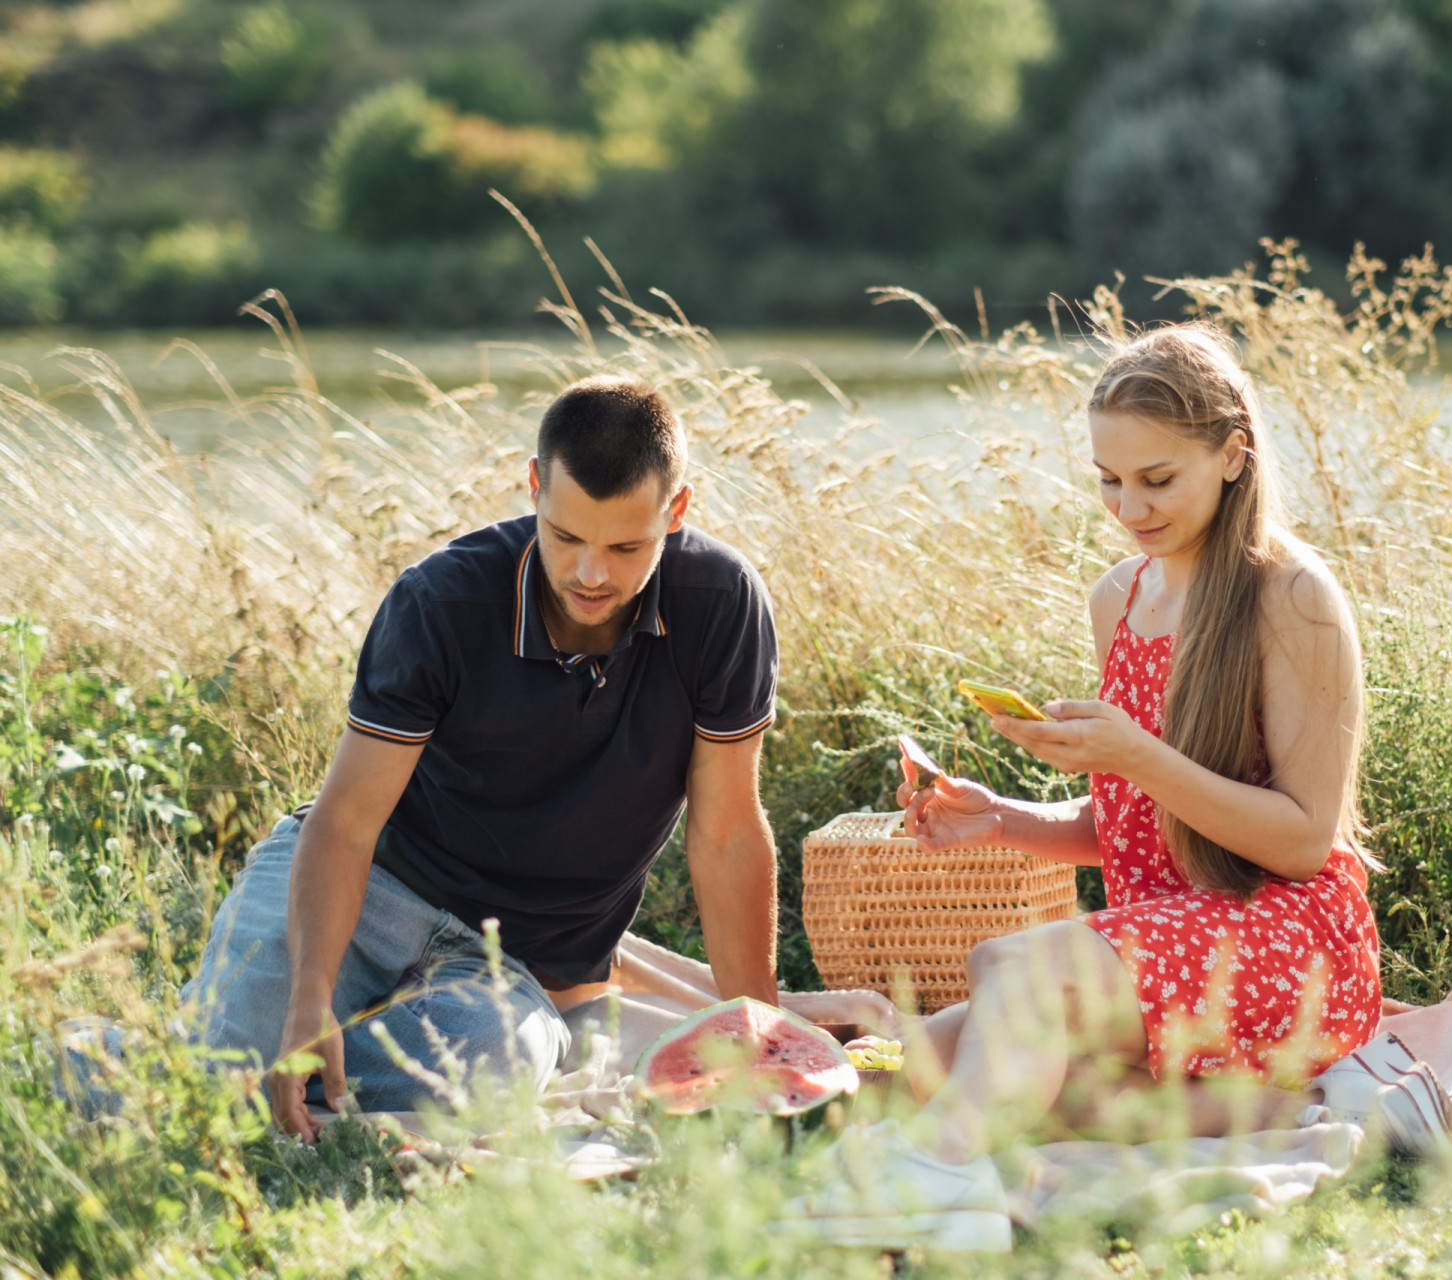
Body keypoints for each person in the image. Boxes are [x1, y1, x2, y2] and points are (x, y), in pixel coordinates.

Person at [778, 326, 1383, 1251]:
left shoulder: (1293, 598)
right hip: (1171, 942)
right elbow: (1141, 827)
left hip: (1293, 942)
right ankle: (1259, 1103)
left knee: (1008, 970)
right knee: (925, 1064)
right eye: (1108, 478)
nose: (1128, 505)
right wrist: (1005, 820)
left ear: (1231, 455)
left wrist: (1137, 753)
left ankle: (940, 1181)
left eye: (1156, 479)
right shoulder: (1120, 598)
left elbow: (1302, 842)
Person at [183, 375, 795, 1140]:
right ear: (535, 486)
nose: (591, 574)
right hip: (375, 883)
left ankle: (275, 1113)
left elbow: (728, 835)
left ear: (676, 512)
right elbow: (345, 823)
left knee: (500, 1063)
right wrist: (311, 992)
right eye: (566, 537)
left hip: (508, 963)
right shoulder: (443, 602)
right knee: (220, 1066)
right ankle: (225, 1086)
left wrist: (764, 1037)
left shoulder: (722, 604)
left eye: (625, 546)